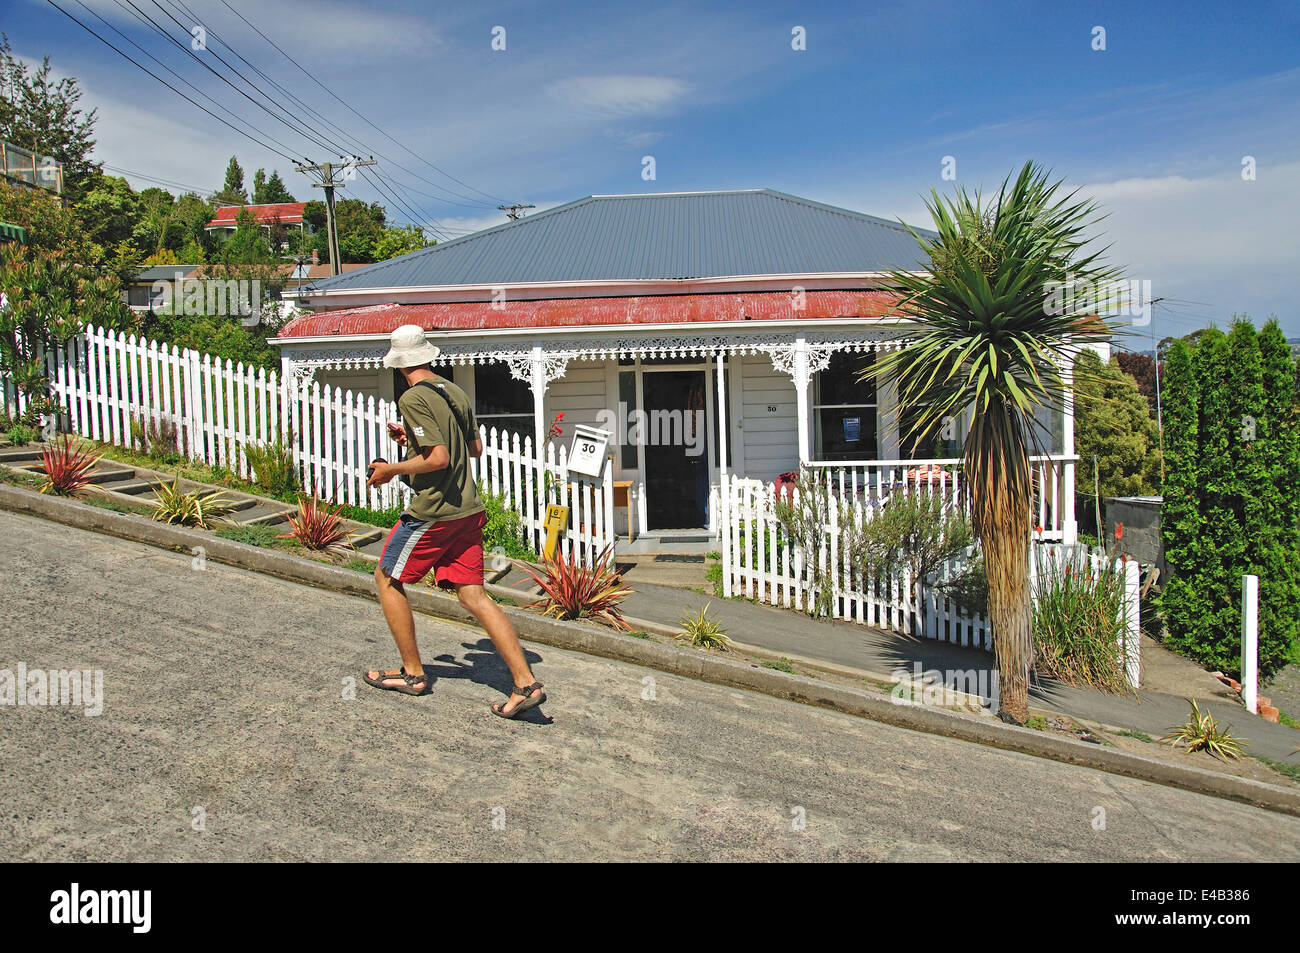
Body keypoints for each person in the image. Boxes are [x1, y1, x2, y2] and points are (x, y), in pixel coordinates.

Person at [363, 324, 546, 719]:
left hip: (435, 511)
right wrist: (410, 442)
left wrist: (391, 469)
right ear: (427, 355)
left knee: (387, 578)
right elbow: (473, 448)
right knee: (473, 595)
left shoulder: (412, 397)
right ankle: (525, 683)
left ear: (399, 364)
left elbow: (439, 459)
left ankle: (413, 674)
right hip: (468, 509)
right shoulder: (454, 391)